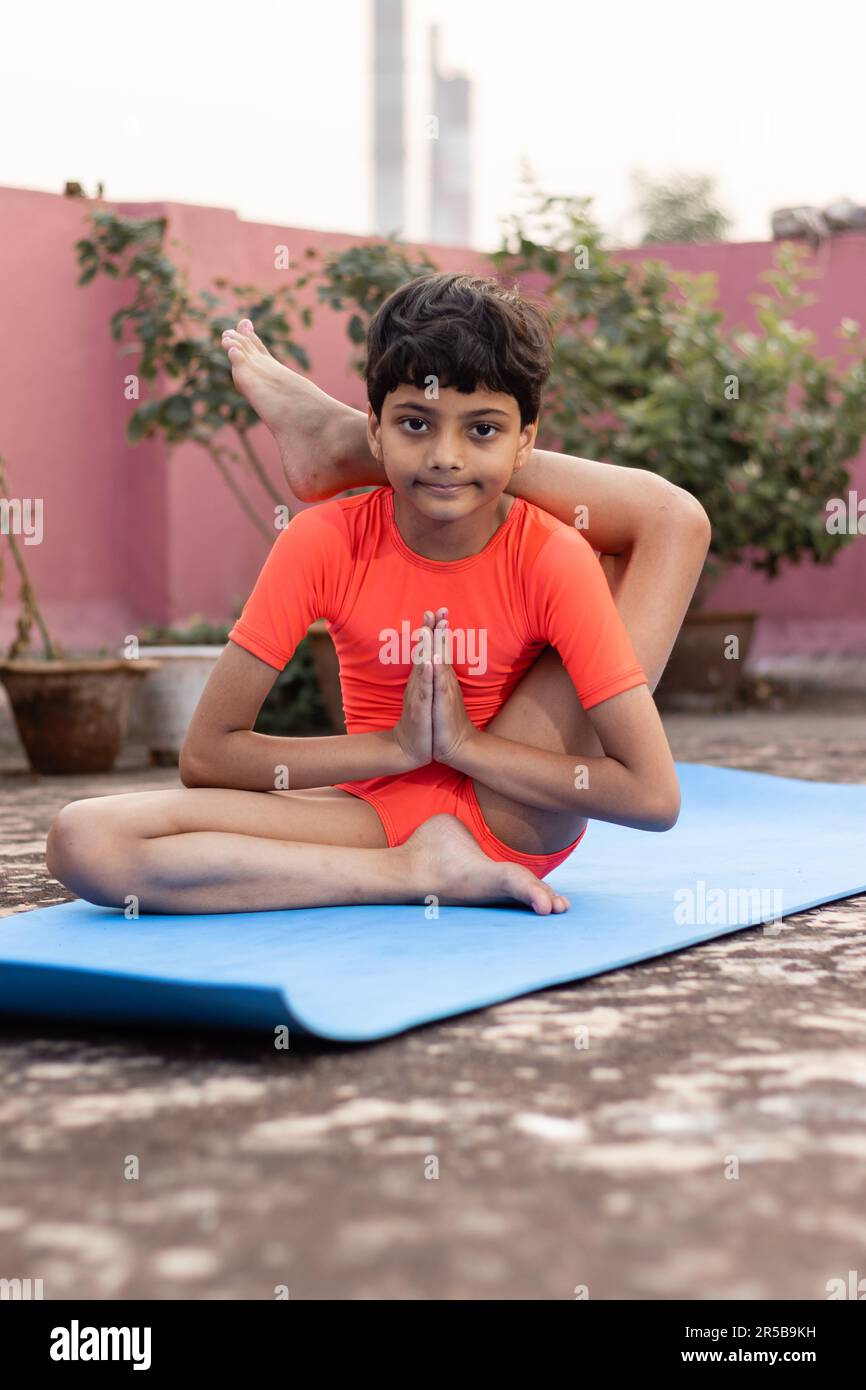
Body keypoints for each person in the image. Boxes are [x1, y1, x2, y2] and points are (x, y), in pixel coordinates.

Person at [46, 273, 710, 916]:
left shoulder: (551, 553)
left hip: (511, 813)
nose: (446, 456)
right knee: (85, 839)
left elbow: (653, 798)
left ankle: (343, 442)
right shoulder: (324, 541)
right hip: (371, 812)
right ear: (377, 425)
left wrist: (463, 746)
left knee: (658, 530)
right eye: (415, 423)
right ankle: (415, 871)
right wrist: (397, 749)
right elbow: (207, 755)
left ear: (525, 442)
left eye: (482, 429)